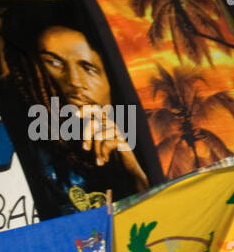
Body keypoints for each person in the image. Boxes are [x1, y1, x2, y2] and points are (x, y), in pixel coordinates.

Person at [34, 25, 149, 209]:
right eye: (54, 63)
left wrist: (135, 173)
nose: (74, 81)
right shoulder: (31, 150)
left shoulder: (144, 149)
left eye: (89, 68)